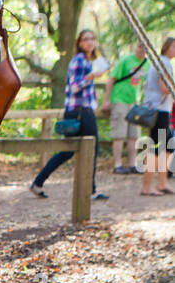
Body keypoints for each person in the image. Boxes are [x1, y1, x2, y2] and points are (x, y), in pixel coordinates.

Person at [30, 28, 108, 200]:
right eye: (86, 39)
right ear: (79, 43)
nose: (90, 42)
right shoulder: (79, 60)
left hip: (80, 110)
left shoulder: (88, 61)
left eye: (92, 38)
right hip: (80, 111)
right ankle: (90, 191)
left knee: (68, 151)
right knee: (91, 149)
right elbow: (73, 87)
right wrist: (91, 77)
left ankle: (38, 183)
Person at [139, 36, 175, 197]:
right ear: (166, 47)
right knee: (155, 146)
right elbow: (164, 88)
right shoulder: (164, 63)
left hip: (161, 109)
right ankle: (147, 187)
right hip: (158, 111)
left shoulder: (160, 62)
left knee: (167, 146)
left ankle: (162, 183)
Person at [105, 42, 146, 174]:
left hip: (134, 102)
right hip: (119, 100)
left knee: (134, 135)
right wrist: (106, 100)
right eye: (140, 46)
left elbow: (144, 83)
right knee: (119, 134)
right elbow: (111, 79)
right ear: (135, 47)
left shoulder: (147, 64)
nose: (142, 50)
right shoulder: (125, 61)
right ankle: (117, 164)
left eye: (145, 47)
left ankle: (132, 164)